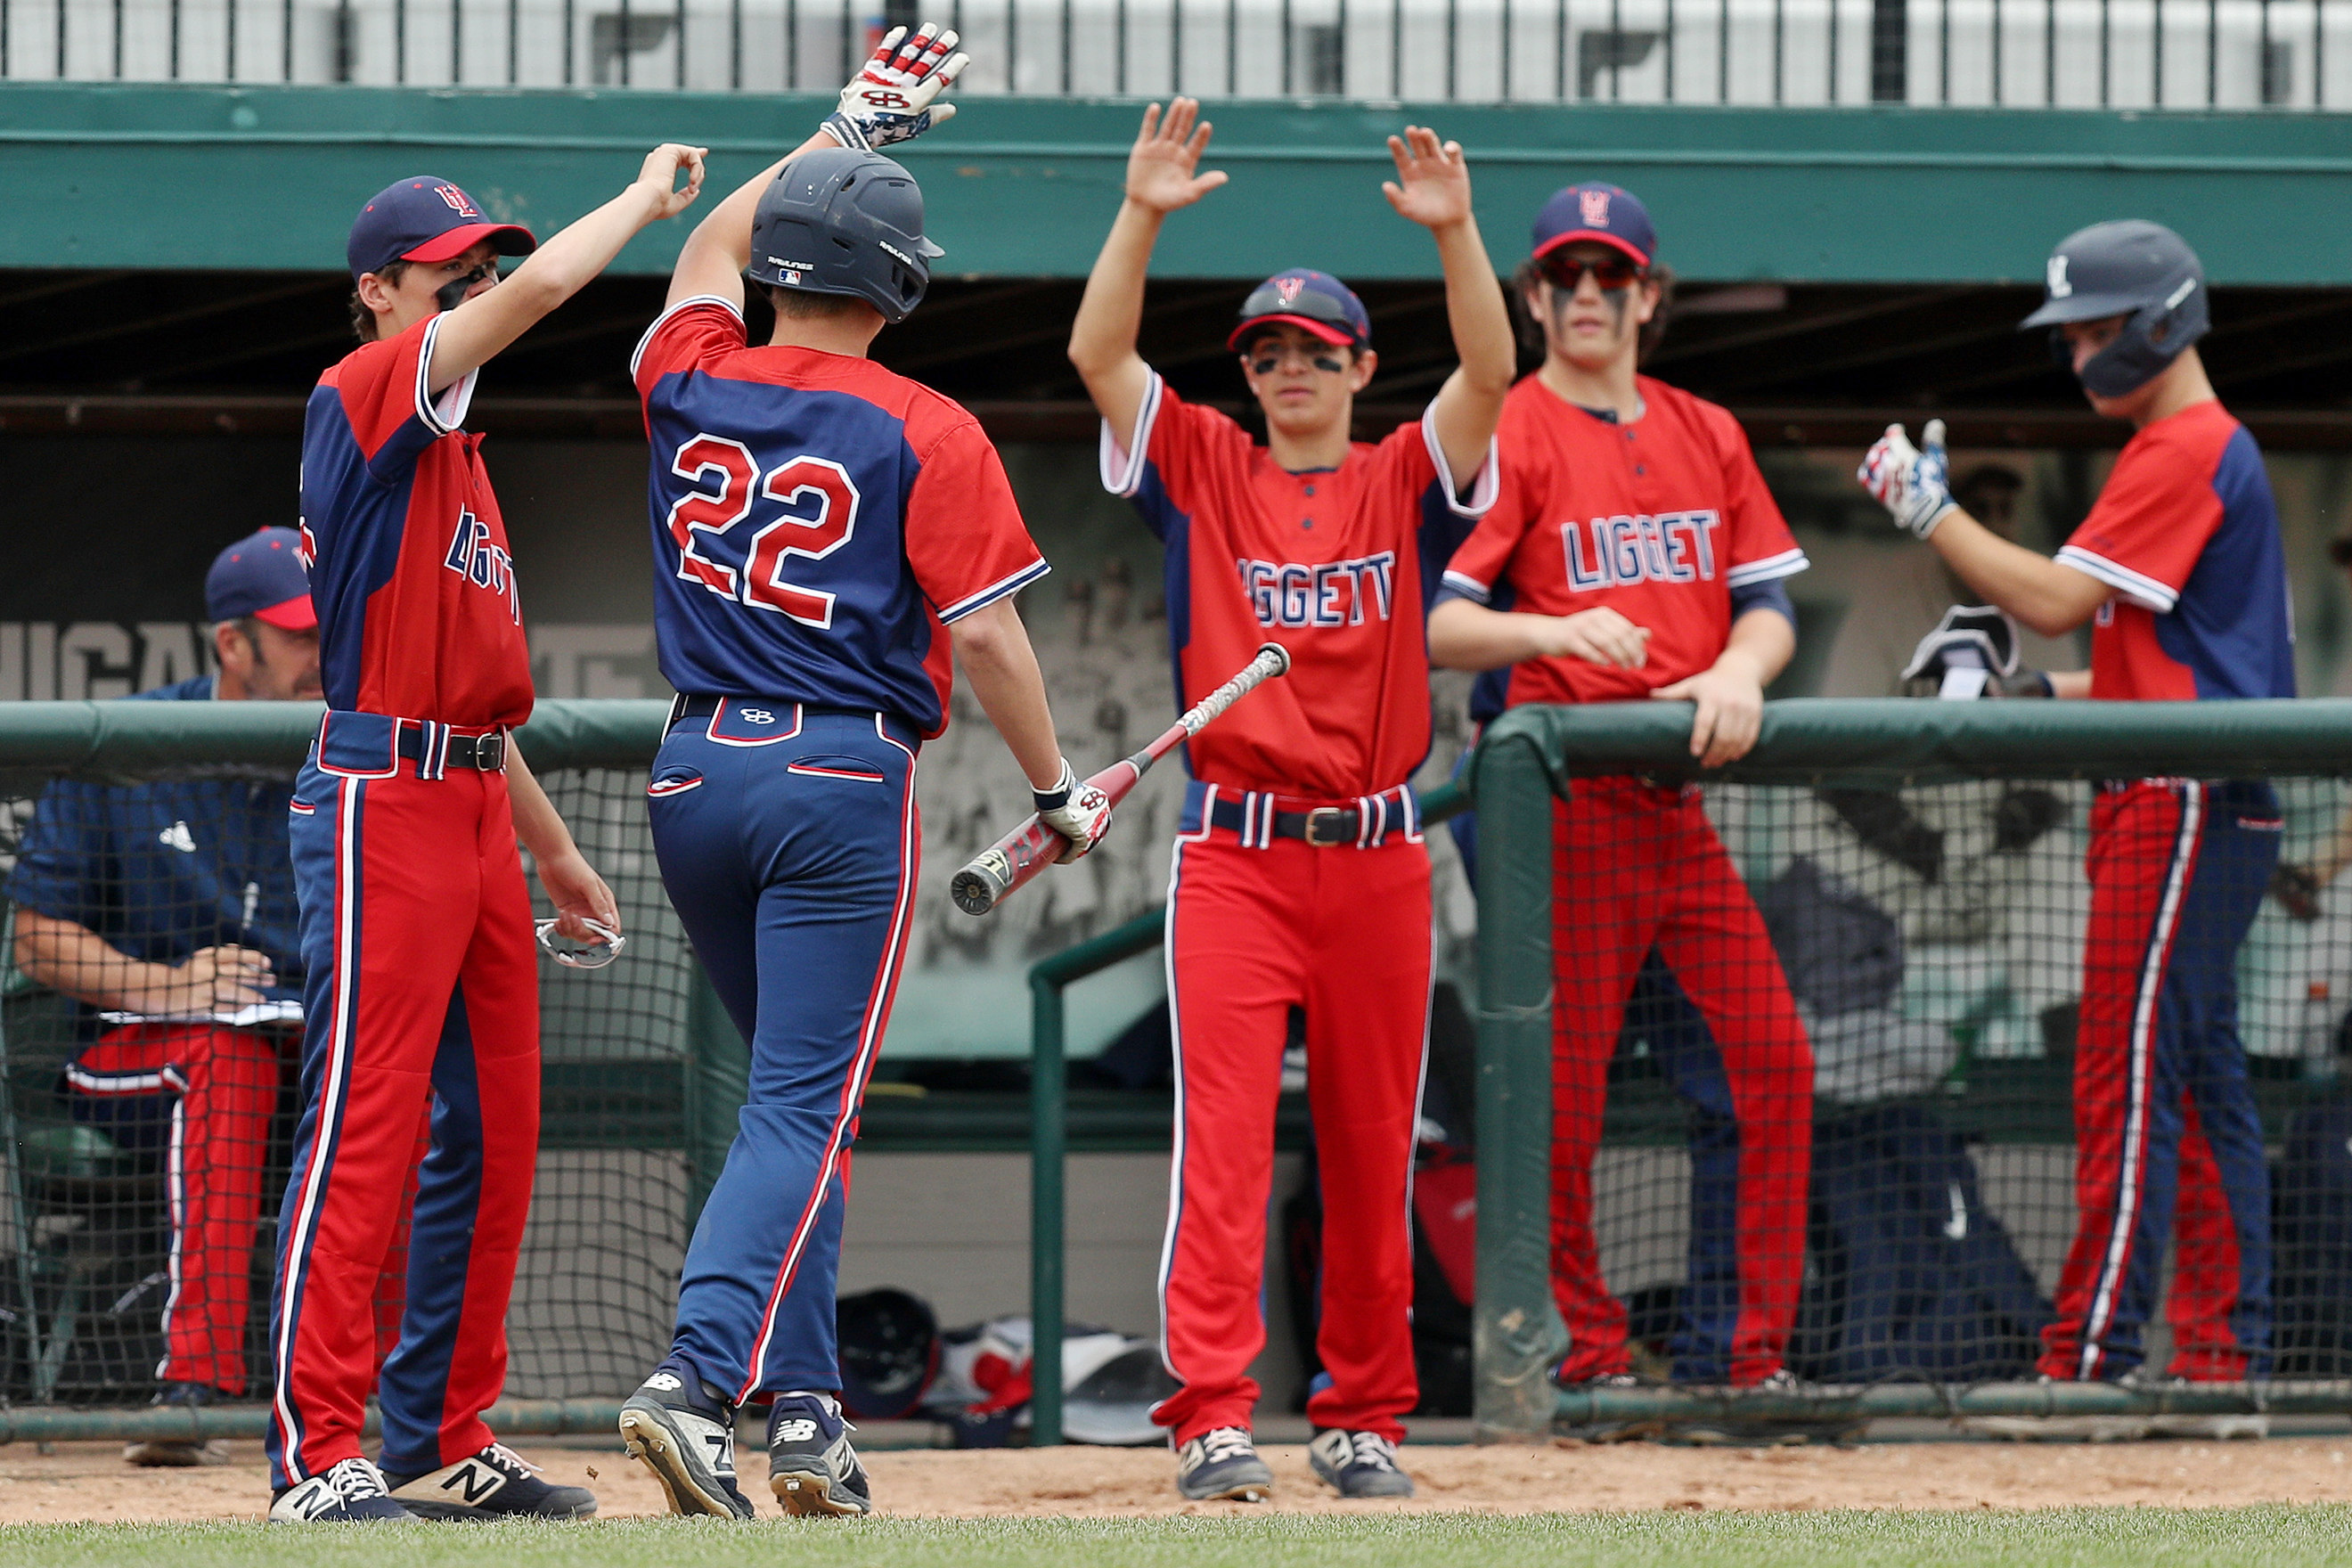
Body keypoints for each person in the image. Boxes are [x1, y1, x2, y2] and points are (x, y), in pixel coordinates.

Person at [614, 29, 1107, 1522]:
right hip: (835, 780)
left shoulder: (689, 367)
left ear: (781, 268)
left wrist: (836, 125)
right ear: (900, 286)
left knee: (796, 1102)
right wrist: (1055, 790)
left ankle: (813, 1414)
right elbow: (999, 645)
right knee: (803, 1112)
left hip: (693, 774)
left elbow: (709, 239)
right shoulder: (930, 423)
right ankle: (698, 1386)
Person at [1067, 99, 1513, 1500]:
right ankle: (1211, 1413)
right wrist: (1140, 210)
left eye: (1315, 351)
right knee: (1225, 1146)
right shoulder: (1202, 464)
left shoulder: (1398, 476)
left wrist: (1457, 234)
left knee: (1378, 1142)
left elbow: (1495, 373)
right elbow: (1098, 353)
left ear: (1361, 367)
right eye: (1267, 351)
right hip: (1240, 858)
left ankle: (1361, 1414)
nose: (1288, 369)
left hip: (1378, 857)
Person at [265, 144, 706, 1523]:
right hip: (378, 794)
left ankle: (442, 1436)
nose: (479, 281)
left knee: (498, 1132)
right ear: (379, 293)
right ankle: (312, 1454)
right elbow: (551, 289)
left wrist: (554, 849)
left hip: (464, 797)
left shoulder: (457, 453)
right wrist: (642, 201)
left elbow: (473, 699)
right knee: (364, 1126)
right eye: (448, 270)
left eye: (482, 262)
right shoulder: (367, 390)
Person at [1856, 219, 2293, 1399]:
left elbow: (2052, 597)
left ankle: (2089, 1359)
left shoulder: (2186, 442)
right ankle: (2218, 1355)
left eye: (2096, 328)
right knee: (2196, 1083)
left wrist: (1929, 513)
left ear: (2159, 321)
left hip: (2184, 803)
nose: (2079, 350)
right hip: (2191, 792)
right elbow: (2162, 663)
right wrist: (2025, 693)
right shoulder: (2183, 445)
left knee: (2128, 1077)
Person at [1425, 182, 1816, 1394]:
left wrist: (1740, 673)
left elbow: (1769, 607)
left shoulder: (1708, 427)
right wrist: (1552, 633)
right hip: (1562, 799)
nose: (1587, 296)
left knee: (1775, 1062)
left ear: (1649, 295)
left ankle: (1750, 1361)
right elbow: (1443, 624)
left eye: (1611, 277)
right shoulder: (1514, 428)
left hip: (1677, 799)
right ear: (1535, 296)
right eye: (1564, 278)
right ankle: (1581, 1355)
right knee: (1561, 1098)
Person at [9, 529, 326, 1467]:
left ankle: (379, 1386)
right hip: (133, 1052)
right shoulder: (131, 742)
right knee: (220, 1056)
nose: (326, 653)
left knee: (396, 1079)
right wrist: (170, 986)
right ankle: (190, 1388)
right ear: (235, 645)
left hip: (306, 1051)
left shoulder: (356, 739)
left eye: (333, 629)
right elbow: (39, 935)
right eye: (303, 634)